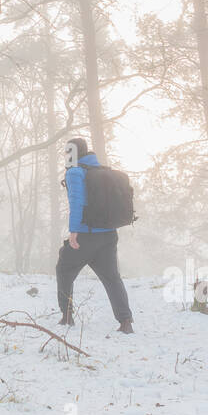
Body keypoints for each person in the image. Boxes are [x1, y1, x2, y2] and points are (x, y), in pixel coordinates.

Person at [57, 137, 134, 333]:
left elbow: (77, 202)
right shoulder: (104, 172)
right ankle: (125, 322)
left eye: (68, 152)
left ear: (73, 153)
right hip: (109, 235)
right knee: (112, 278)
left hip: (85, 235)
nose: (66, 155)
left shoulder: (75, 172)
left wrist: (74, 232)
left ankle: (67, 316)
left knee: (64, 269)